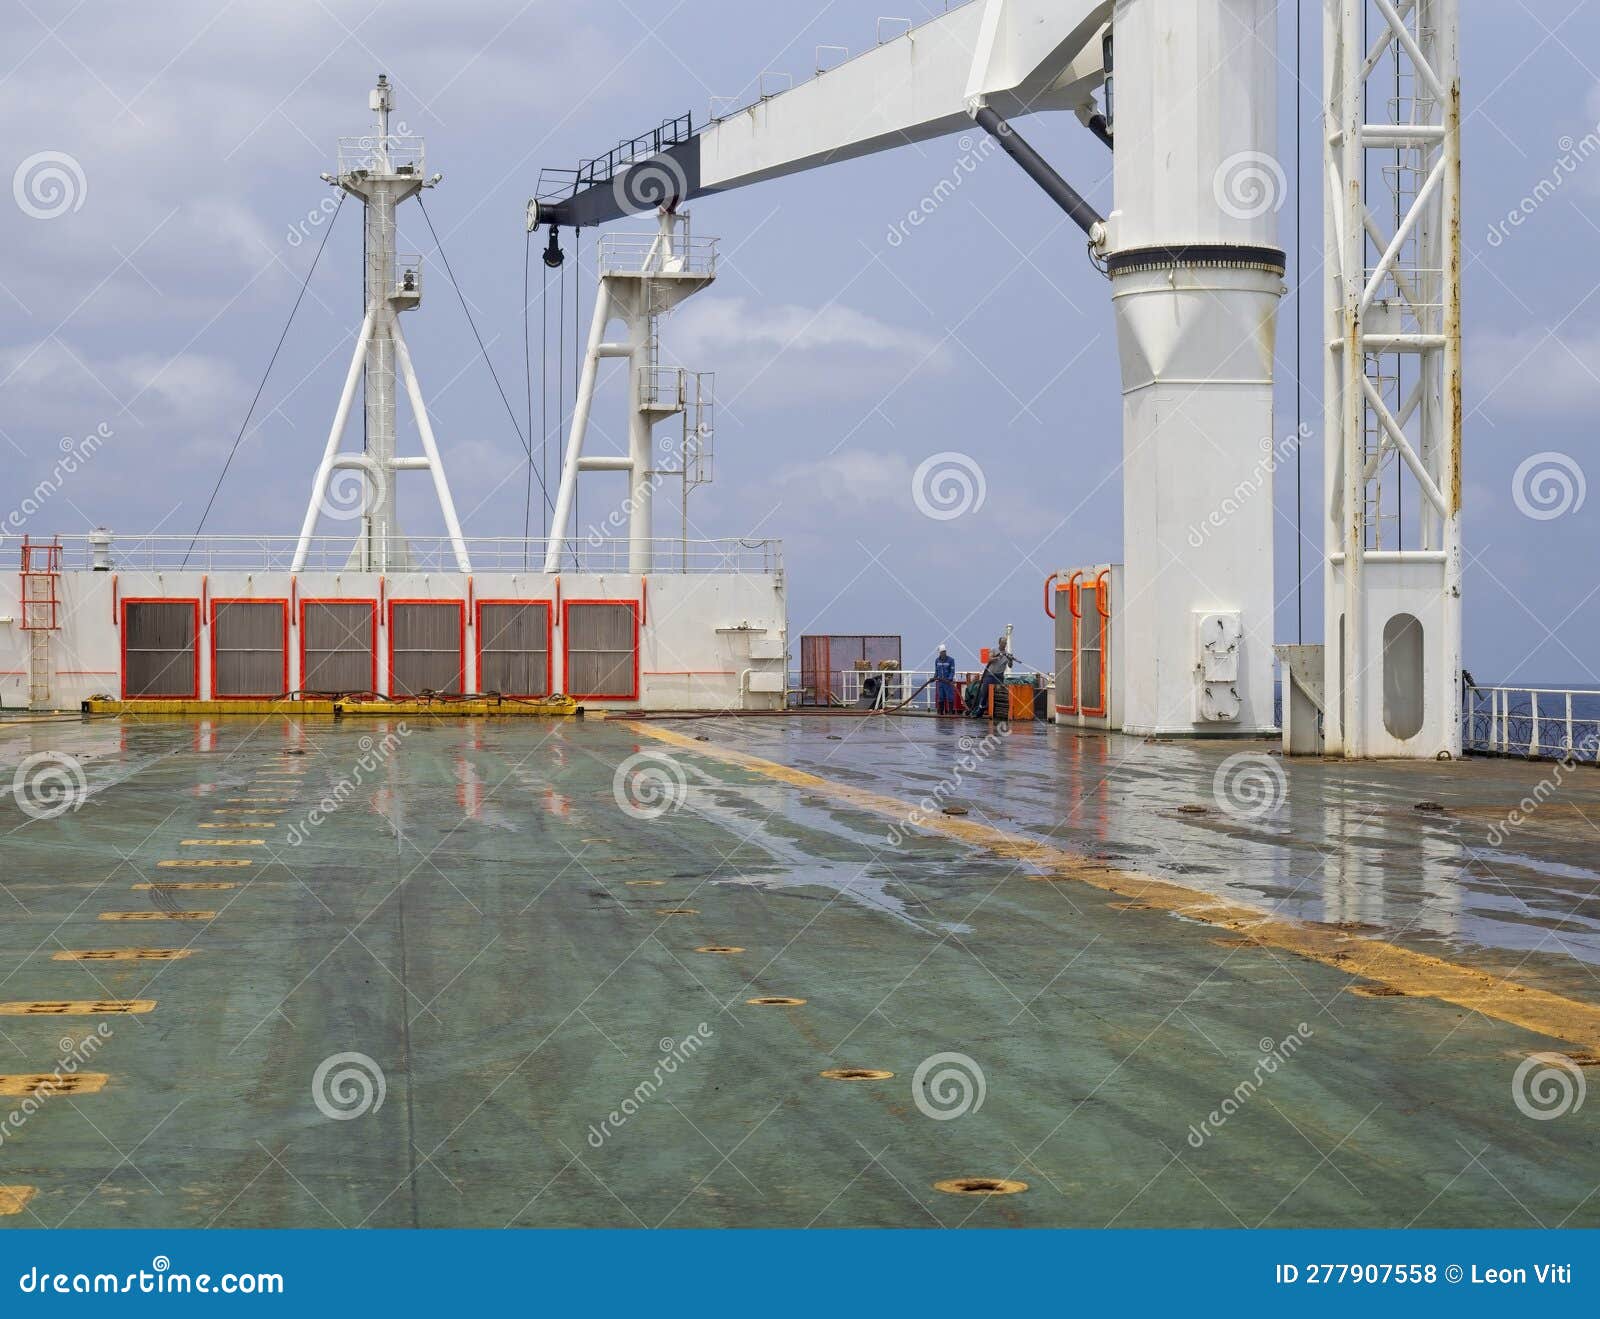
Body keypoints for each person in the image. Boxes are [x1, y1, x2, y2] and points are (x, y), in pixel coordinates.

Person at [971, 635, 1014, 718]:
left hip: (1000, 677)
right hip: (990, 676)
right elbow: (989, 659)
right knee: (984, 693)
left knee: (999, 694)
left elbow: (1010, 666)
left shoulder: (1007, 654)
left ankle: (996, 712)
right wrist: (998, 657)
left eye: (1005, 643)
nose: (1004, 644)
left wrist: (1011, 659)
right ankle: (979, 712)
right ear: (999, 643)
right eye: (1002, 643)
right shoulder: (994, 650)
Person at [933, 644, 957, 715]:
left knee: (950, 697)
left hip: (948, 682)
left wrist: (949, 679)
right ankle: (941, 712)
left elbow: (952, 671)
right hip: (940, 682)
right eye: (941, 652)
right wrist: (934, 677)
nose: (943, 653)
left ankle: (950, 712)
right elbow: (936, 671)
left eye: (944, 652)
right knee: (941, 697)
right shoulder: (937, 660)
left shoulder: (951, 660)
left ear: (945, 652)